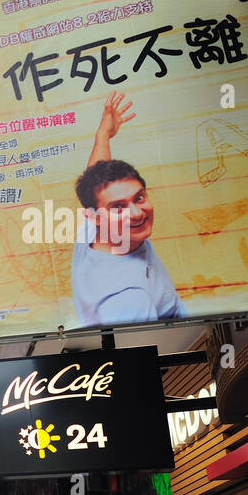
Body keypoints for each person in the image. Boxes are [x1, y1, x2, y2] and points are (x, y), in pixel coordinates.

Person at [72, 91, 186, 327]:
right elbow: (144, 352)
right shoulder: (129, 297)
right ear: (95, 217)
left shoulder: (92, 233)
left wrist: (103, 135)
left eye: (139, 197)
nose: (137, 213)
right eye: (119, 208)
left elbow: (97, 183)